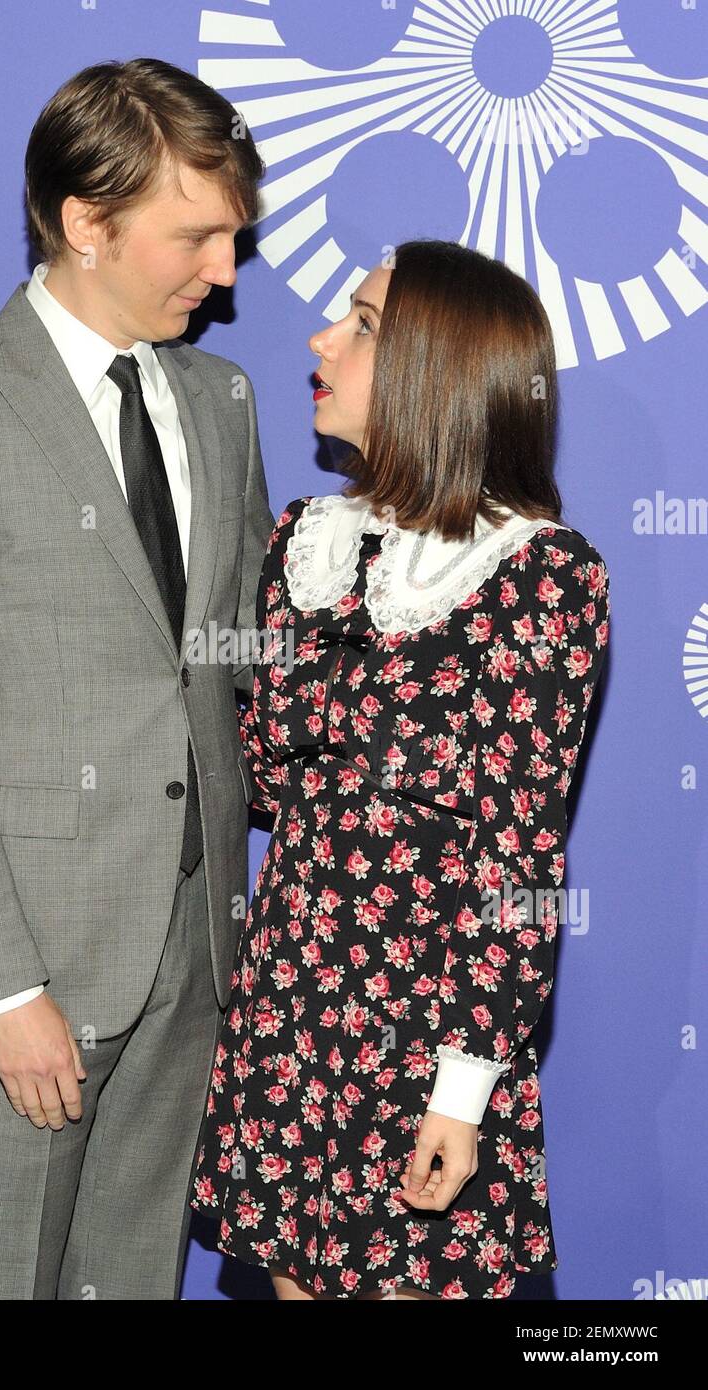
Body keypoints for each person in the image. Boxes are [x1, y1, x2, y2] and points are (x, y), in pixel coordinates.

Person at [0, 57, 274, 1300]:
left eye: (233, 237)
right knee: (2, 1278)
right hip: (34, 965)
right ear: (84, 222)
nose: (224, 273)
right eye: (194, 236)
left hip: (200, 949)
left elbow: (236, 653)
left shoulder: (224, 399)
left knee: (133, 1276)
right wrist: (0, 985)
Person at [190, 239, 611, 1301]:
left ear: (438, 363)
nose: (319, 339)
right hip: (290, 1001)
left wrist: (461, 1092)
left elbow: (519, 860)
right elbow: (276, 785)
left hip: (426, 1028)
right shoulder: (305, 544)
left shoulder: (540, 576)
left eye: (364, 322)